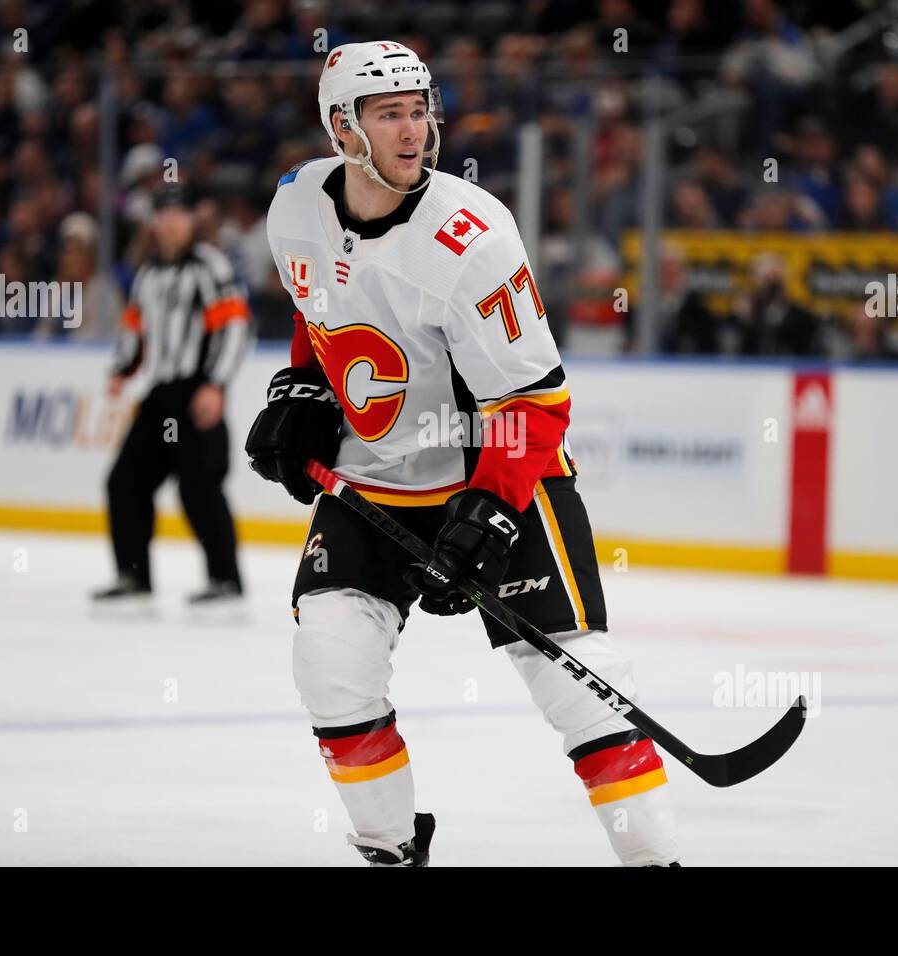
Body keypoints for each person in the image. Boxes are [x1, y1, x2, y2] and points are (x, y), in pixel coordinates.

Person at [245, 41, 680, 867]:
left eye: (420, 110)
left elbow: (537, 403)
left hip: (499, 482)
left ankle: (656, 864)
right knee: (330, 666)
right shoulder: (296, 203)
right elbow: (319, 303)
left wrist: (487, 512)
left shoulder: (471, 236)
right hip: (371, 484)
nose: (414, 131)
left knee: (579, 687)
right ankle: (391, 849)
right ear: (343, 127)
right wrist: (302, 389)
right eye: (390, 114)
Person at [92, 183, 251, 607]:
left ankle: (225, 579)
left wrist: (215, 385)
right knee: (124, 482)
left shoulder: (209, 266)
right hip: (160, 395)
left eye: (180, 214)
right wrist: (121, 370)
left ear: (192, 221)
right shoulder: (148, 274)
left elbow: (236, 327)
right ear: (154, 221)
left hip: (195, 390)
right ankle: (133, 577)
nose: (172, 223)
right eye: (164, 214)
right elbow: (135, 328)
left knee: (199, 486)